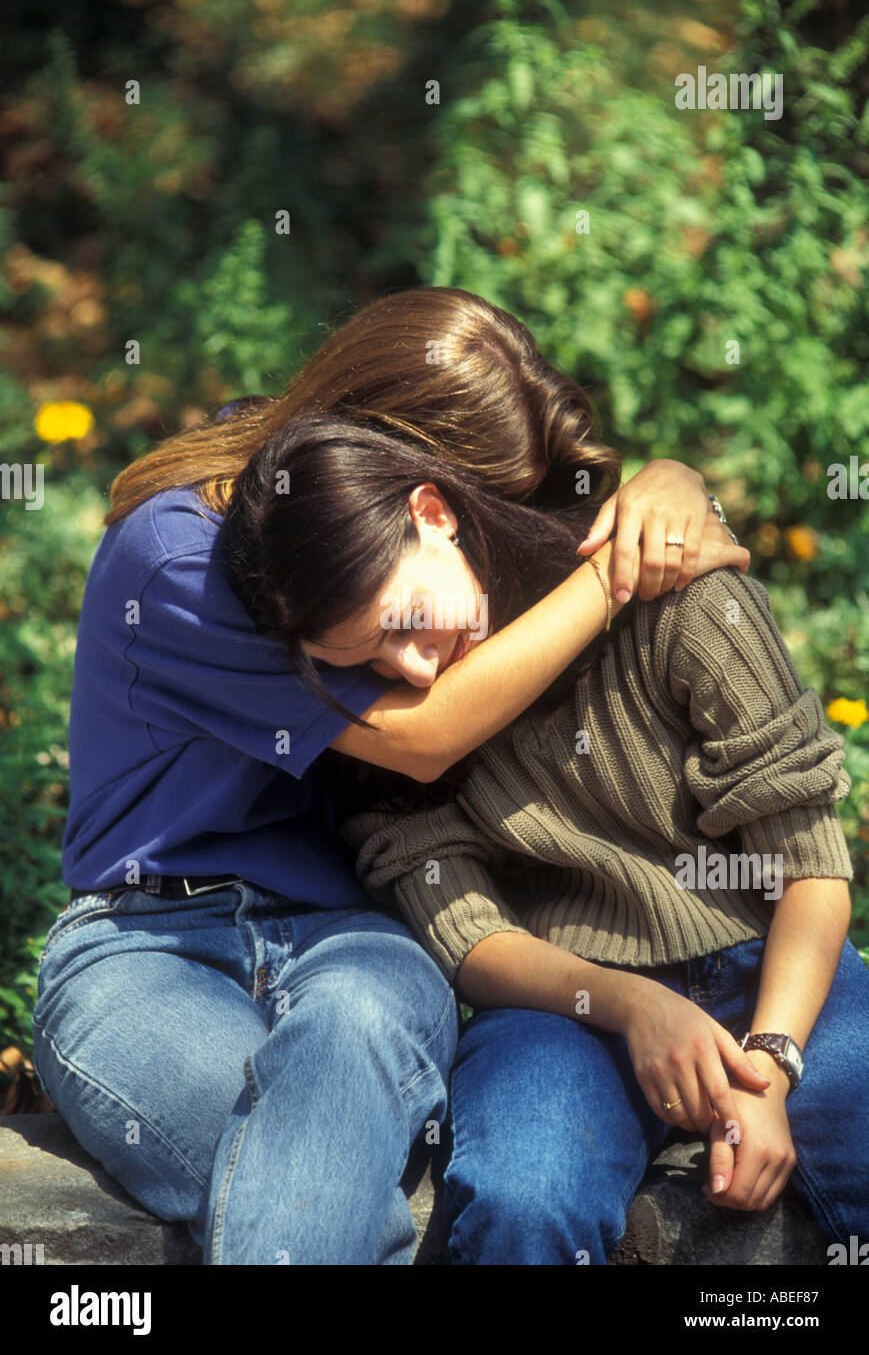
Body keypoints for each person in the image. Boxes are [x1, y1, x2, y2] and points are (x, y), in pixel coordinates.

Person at [31, 287, 746, 1264]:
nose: (483, 536)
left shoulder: (344, 507)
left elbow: (565, 528)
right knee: (319, 1158)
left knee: (337, 1081)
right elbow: (425, 733)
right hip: (146, 941)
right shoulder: (196, 559)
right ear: (394, 466)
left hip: (351, 940)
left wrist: (665, 484)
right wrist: (611, 573)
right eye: (470, 502)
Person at [223, 406, 868, 1267]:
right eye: (368, 661)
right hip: (558, 1006)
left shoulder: (684, 597)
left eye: (404, 620)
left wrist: (770, 1063)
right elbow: (471, 937)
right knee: (520, 1198)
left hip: (772, 965)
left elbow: (810, 869)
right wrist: (635, 1004)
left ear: (432, 512)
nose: (413, 673)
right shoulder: (380, 741)